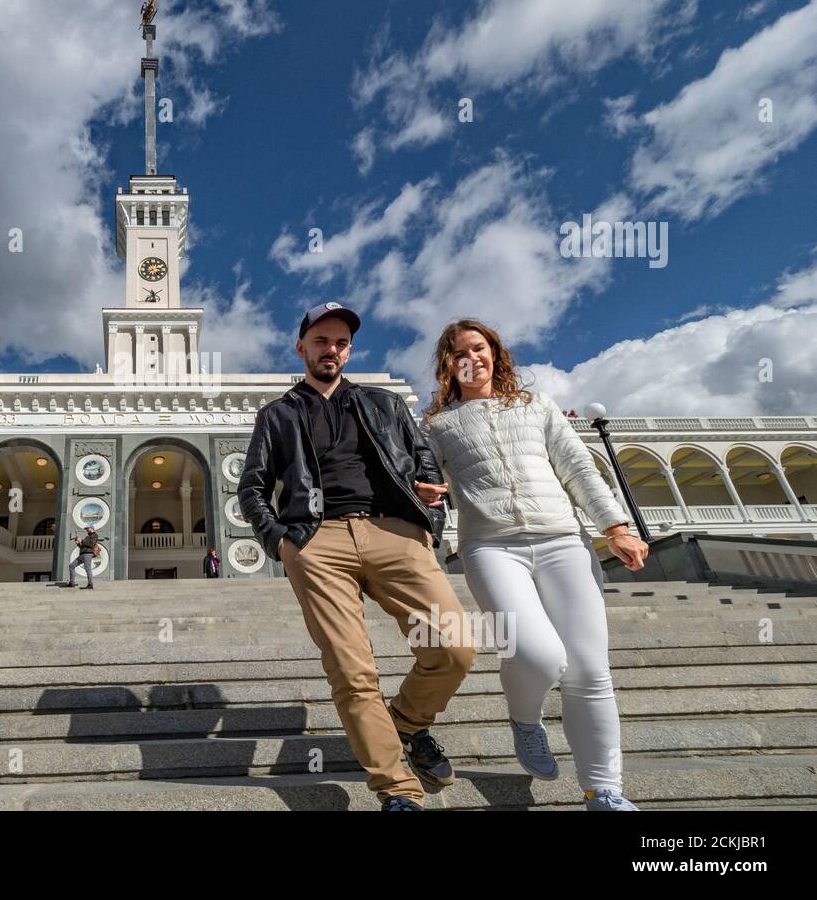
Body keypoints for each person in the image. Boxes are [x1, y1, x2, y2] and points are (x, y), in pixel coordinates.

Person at [239, 302, 475, 811]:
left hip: (393, 534)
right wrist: (280, 540)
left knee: (453, 645)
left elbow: (422, 458)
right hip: (317, 540)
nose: (332, 350)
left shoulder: (382, 403)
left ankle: (407, 725)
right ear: (302, 347)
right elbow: (252, 486)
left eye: (341, 342)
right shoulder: (278, 415)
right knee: (352, 670)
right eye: (321, 340)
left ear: (349, 349)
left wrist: (427, 515)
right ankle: (397, 790)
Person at [422, 318, 649, 811]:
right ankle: (525, 720)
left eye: (480, 348)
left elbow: (577, 467)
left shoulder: (536, 405)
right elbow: (421, 477)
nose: (472, 358)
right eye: (460, 352)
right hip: (491, 548)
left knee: (589, 670)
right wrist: (422, 492)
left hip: (564, 540)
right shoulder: (437, 426)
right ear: (447, 364)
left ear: (494, 353)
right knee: (537, 654)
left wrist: (615, 525)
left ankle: (603, 790)